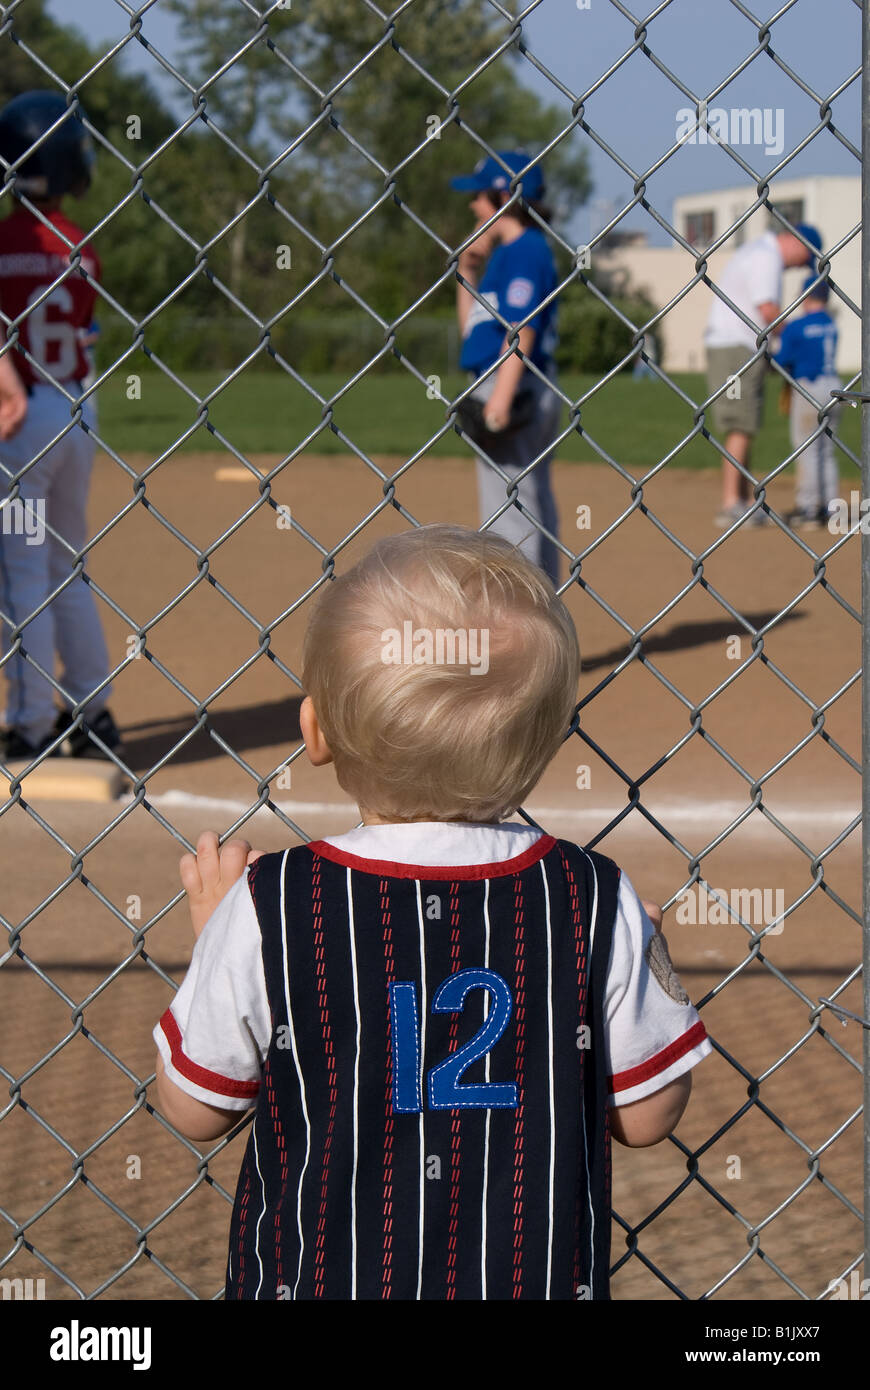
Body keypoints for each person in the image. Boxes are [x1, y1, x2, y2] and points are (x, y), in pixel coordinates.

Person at [152, 524, 712, 1301]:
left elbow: (194, 1106)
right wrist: (645, 952)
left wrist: (218, 935)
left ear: (315, 733)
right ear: (548, 741)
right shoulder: (594, 897)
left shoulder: (269, 902)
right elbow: (647, 1117)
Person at [0, 91, 121, 761]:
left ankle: (28, 724)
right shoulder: (82, 248)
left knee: (21, 573)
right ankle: (92, 710)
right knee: (67, 565)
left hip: (19, 426)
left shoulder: (0, 240)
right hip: (75, 414)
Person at [451, 152, 562, 586]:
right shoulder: (505, 255)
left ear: (504, 196)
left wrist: (499, 401)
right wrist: (466, 273)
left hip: (514, 385)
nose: (473, 206)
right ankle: (542, 628)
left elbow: (522, 333)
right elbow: (473, 331)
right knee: (522, 502)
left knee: (511, 511)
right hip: (500, 378)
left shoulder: (526, 251)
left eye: (479, 196)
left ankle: (524, 634)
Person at [704, 221, 822, 529]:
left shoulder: (759, 252)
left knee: (745, 424)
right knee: (740, 425)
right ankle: (732, 503)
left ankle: (741, 500)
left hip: (741, 348)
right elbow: (768, 310)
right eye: (803, 258)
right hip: (736, 349)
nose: (798, 267)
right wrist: (796, 338)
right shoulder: (767, 256)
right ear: (797, 243)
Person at [773, 276, 841, 529]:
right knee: (828, 451)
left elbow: (781, 361)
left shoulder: (796, 326)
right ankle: (832, 507)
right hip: (834, 387)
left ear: (806, 297)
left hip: (808, 388)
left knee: (807, 450)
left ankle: (809, 508)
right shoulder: (832, 324)